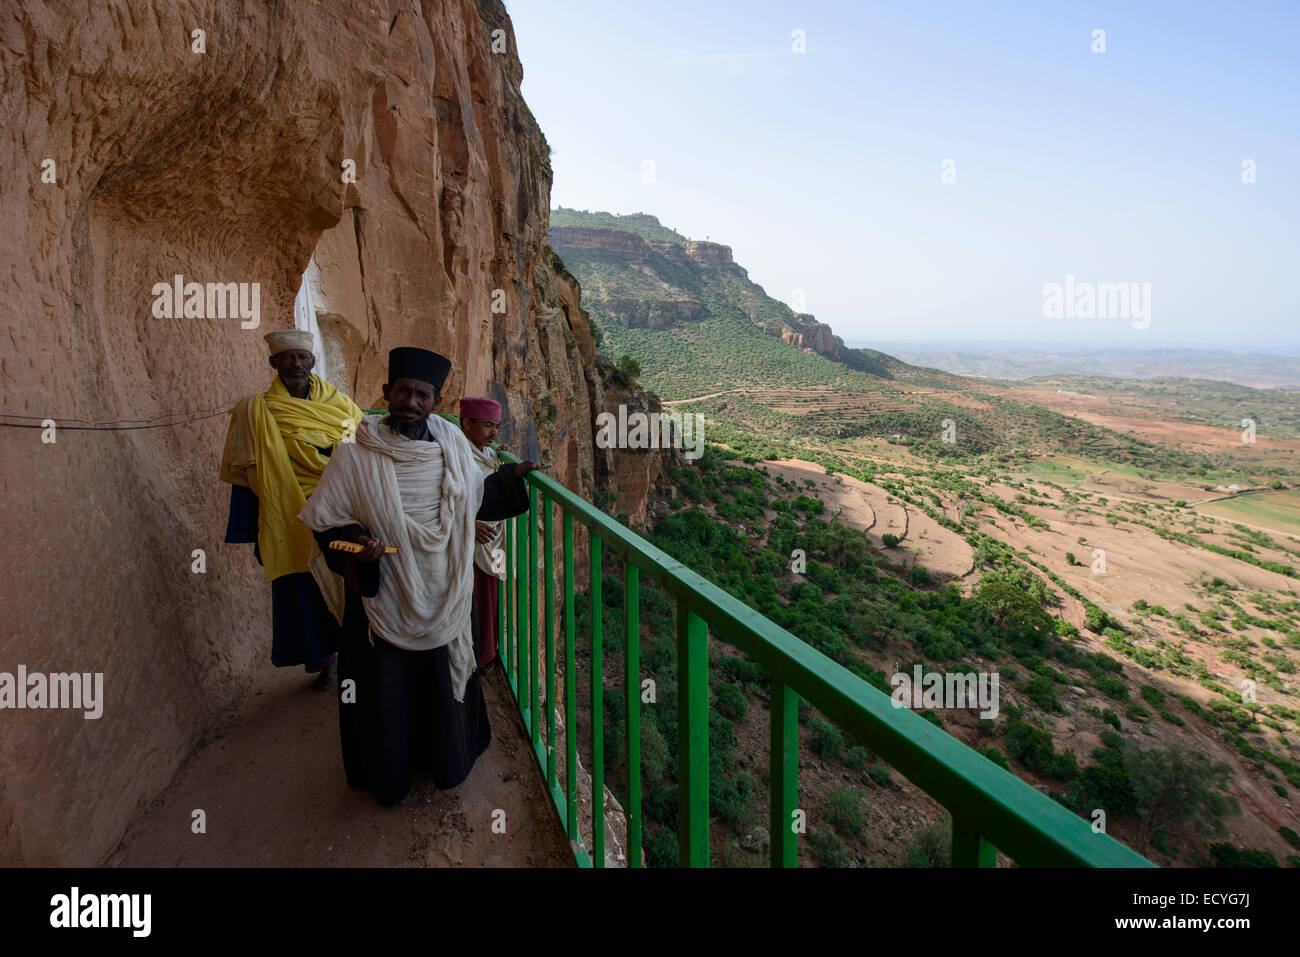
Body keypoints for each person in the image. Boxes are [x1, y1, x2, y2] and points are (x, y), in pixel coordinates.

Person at [298, 347, 537, 805]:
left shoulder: (449, 445)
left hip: (442, 583)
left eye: (422, 393)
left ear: (435, 399)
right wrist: (358, 546)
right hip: (381, 588)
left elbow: (471, 498)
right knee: (384, 688)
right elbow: (327, 522)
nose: (411, 399)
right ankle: (390, 772)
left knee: (439, 678)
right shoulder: (354, 457)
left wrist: (510, 478)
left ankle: (447, 760)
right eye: (402, 390)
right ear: (386, 394)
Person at [219, 329, 363, 689]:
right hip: (287, 513)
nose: (294, 364)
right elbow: (246, 473)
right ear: (273, 363)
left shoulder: (341, 406)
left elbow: (363, 457)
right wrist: (251, 530)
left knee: (349, 582)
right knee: (304, 590)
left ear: (312, 361)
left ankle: (357, 658)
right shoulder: (254, 410)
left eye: (301, 357)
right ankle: (323, 660)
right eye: (286, 358)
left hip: (339, 510)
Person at [460, 396, 508, 669]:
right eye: (487, 425)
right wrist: (467, 524)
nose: (493, 432)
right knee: (472, 600)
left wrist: (499, 456)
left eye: (496, 426)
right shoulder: (456, 453)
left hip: (485, 540)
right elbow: (444, 496)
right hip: (468, 541)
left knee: (486, 599)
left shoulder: (485, 452)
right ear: (467, 423)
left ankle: (485, 653)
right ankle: (474, 657)